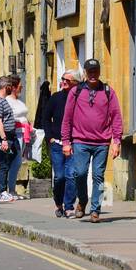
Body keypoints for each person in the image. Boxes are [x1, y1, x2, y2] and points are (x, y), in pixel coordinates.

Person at [60, 58, 123, 223]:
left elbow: (116, 117)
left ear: (99, 72)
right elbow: (67, 118)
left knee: (98, 176)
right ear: (85, 73)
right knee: (79, 174)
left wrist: (117, 140)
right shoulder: (76, 92)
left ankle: (96, 210)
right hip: (80, 140)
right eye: (90, 72)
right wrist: (66, 142)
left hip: (102, 142)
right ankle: (82, 200)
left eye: (95, 71)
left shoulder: (108, 91)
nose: (93, 75)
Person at [42, 69, 89, 218]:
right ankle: (58, 203)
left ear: (76, 83)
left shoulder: (80, 98)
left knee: (71, 175)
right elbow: (45, 118)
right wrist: (49, 137)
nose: (63, 82)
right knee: (59, 176)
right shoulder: (56, 98)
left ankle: (69, 205)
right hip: (56, 143)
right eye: (62, 79)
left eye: (67, 81)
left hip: (74, 142)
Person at [0, 75, 22, 203]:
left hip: (11, 136)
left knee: (14, 161)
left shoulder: (4, 101)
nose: (11, 88)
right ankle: (2, 192)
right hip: (5, 137)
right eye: (10, 86)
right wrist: (3, 139)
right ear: (6, 87)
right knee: (4, 164)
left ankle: (9, 190)